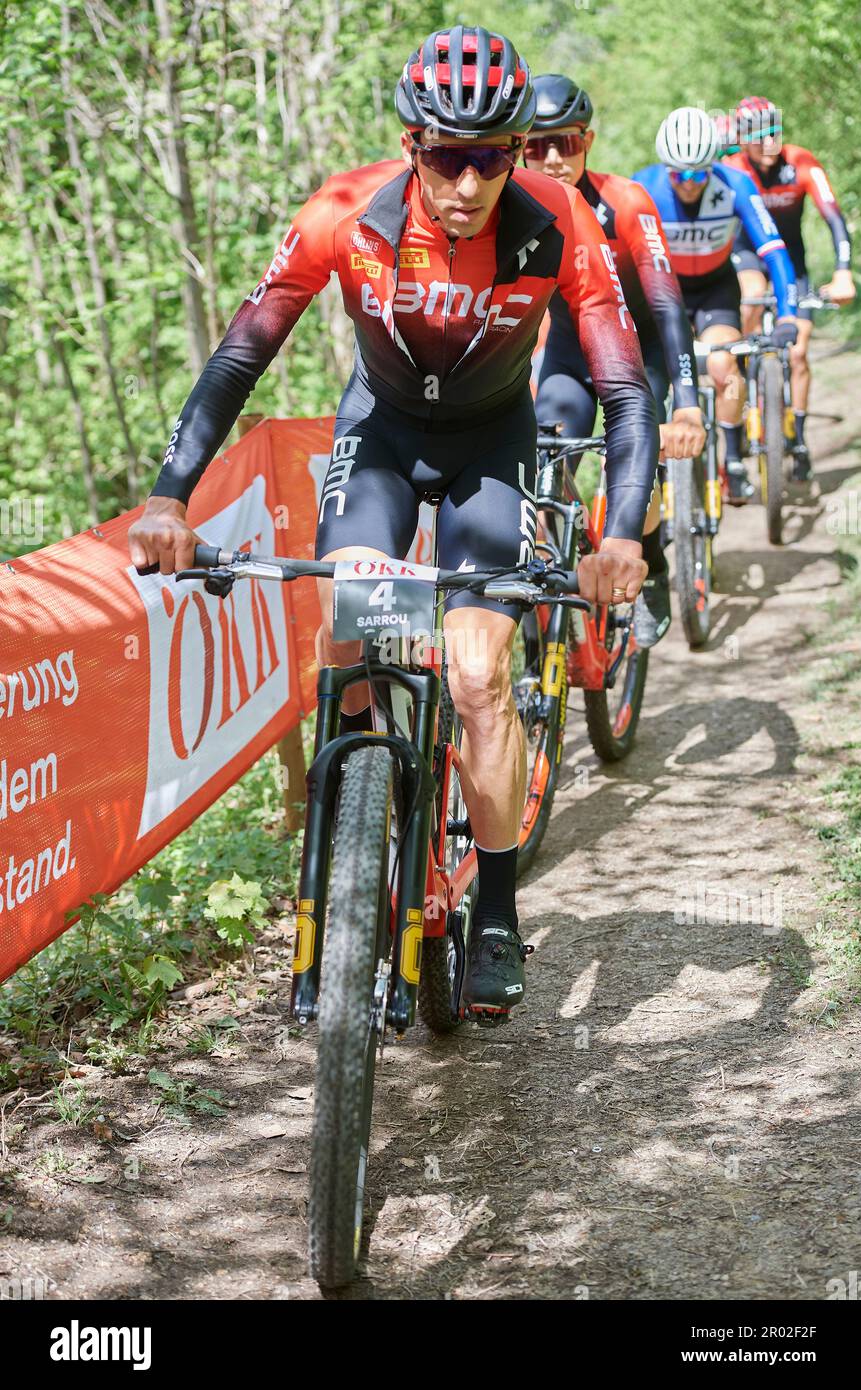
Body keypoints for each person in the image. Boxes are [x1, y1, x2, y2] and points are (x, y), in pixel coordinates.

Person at [127, 27, 659, 1021]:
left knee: (472, 675)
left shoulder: (558, 227)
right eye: (446, 156)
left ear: (513, 153)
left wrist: (619, 536)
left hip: (489, 447)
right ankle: (352, 838)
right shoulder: (342, 213)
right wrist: (171, 494)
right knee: (350, 632)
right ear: (411, 145)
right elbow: (241, 353)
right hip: (377, 434)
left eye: (490, 158)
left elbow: (625, 391)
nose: (468, 182)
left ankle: (493, 913)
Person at [524, 74, 705, 648]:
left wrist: (689, 403)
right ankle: (555, 579)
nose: (552, 158)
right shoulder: (513, 209)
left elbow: (668, 305)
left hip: (639, 350)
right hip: (571, 352)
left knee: (635, 466)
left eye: (567, 143)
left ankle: (648, 563)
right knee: (541, 464)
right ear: (517, 148)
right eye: (536, 145)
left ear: (589, 141)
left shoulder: (626, 200)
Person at [633, 107, 799, 503]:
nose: (688, 184)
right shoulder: (643, 188)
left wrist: (789, 313)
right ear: (664, 166)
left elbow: (774, 251)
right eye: (679, 174)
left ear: (712, 165)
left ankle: (734, 458)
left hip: (714, 290)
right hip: (662, 292)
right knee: (652, 379)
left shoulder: (736, 184)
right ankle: (653, 474)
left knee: (726, 366)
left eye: (698, 174)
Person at [725, 96, 856, 479]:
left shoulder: (801, 162)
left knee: (798, 353)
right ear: (742, 140)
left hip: (792, 262)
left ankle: (796, 438)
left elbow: (833, 217)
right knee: (749, 297)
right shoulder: (732, 169)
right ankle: (743, 367)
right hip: (748, 255)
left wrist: (843, 270)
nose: (769, 142)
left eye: (774, 133)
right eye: (758, 136)